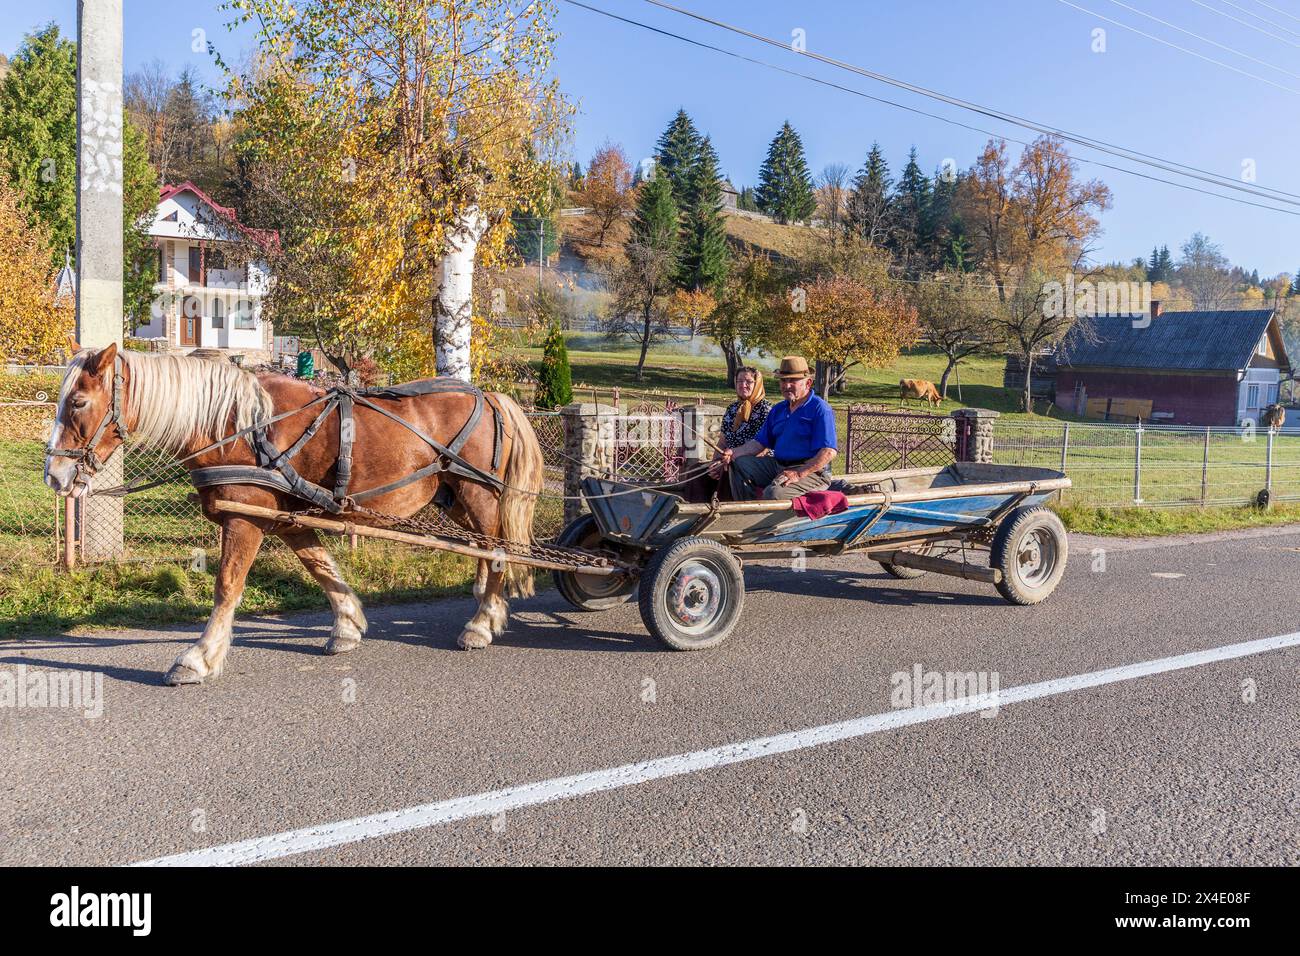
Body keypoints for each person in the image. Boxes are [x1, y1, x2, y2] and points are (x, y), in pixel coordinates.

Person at [708, 356, 838, 501]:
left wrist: (799, 474)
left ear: (808, 383)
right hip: (778, 466)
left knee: (774, 493)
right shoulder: (779, 409)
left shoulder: (819, 408)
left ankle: (763, 515)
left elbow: (828, 452)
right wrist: (732, 453)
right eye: (783, 380)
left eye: (792, 381)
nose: (786, 385)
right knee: (738, 463)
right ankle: (746, 508)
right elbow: (758, 444)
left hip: (811, 471)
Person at [720, 366, 771, 449]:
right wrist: (715, 459)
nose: (743, 385)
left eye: (749, 381)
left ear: (757, 384)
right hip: (729, 457)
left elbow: (763, 447)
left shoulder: (765, 409)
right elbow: (722, 442)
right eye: (739, 381)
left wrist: (733, 455)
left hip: (755, 459)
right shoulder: (732, 408)